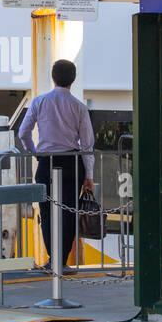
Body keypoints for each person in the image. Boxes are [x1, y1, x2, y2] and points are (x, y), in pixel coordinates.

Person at [18, 59, 95, 274]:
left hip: (47, 161)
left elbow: (23, 133)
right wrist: (89, 175)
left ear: (52, 77)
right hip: (72, 163)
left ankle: (52, 260)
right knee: (69, 211)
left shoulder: (39, 102)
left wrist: (36, 154)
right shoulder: (79, 107)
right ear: (73, 79)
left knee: (47, 211)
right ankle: (61, 262)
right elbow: (87, 144)